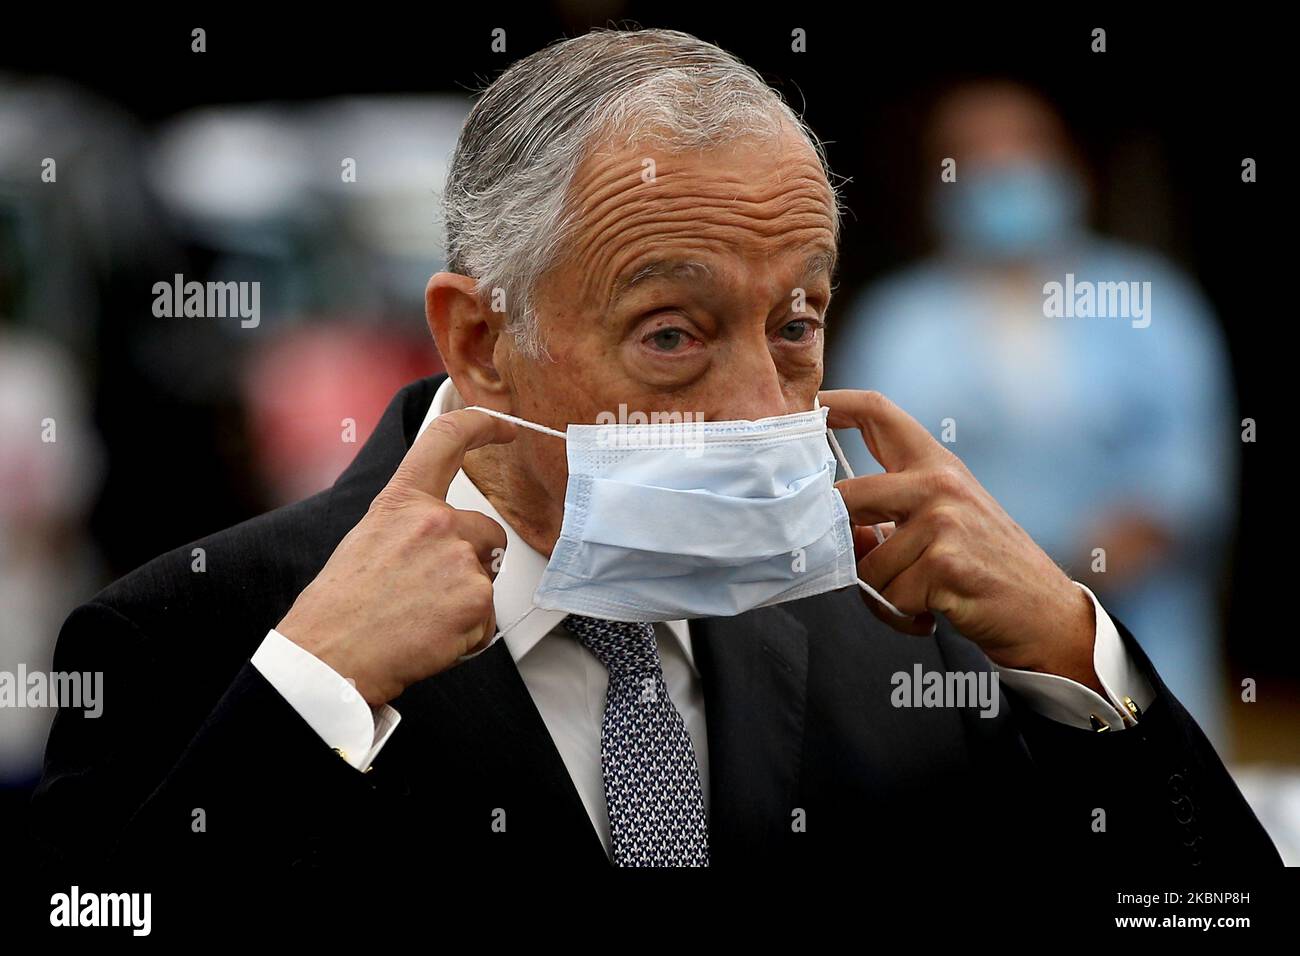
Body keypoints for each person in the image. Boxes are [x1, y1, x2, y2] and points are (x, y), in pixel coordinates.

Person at [30, 28, 1279, 874]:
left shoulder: (909, 646)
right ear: (478, 335)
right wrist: (305, 709)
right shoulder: (203, 639)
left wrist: (1079, 660)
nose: (753, 406)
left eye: (795, 326)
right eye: (672, 333)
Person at [826, 81, 1238, 751]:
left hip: (1136, 647)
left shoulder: (1149, 303)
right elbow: (863, 491)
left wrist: (1052, 588)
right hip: (954, 661)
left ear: (1067, 163)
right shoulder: (898, 324)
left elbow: (1187, 479)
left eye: (1020, 145)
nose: (1000, 169)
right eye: (970, 155)